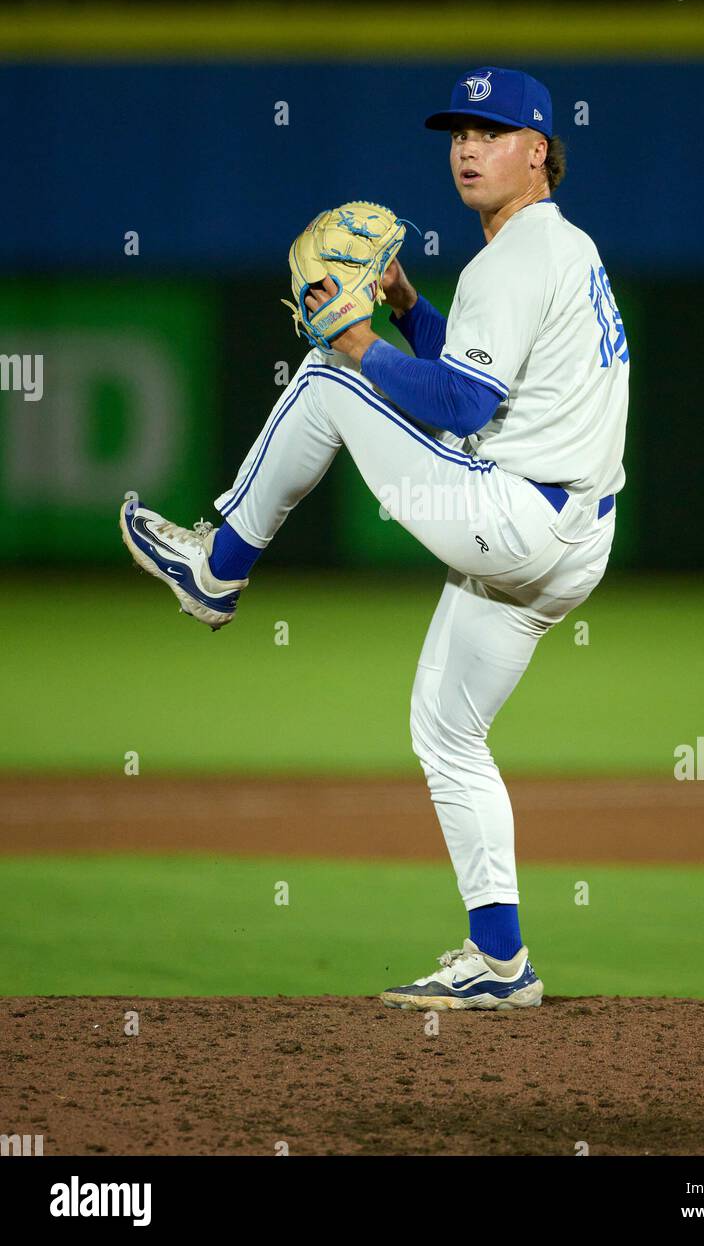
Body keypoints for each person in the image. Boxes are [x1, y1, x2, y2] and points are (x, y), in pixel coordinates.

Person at [120, 66, 629, 1011]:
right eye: (457, 133)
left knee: (323, 379)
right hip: (572, 543)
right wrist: (396, 305)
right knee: (447, 731)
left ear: (540, 152)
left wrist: (353, 341)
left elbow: (464, 404)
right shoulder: (556, 249)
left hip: (515, 517)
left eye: (491, 131)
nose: (468, 148)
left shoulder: (515, 257)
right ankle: (499, 960)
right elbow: (482, 378)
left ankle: (215, 569)